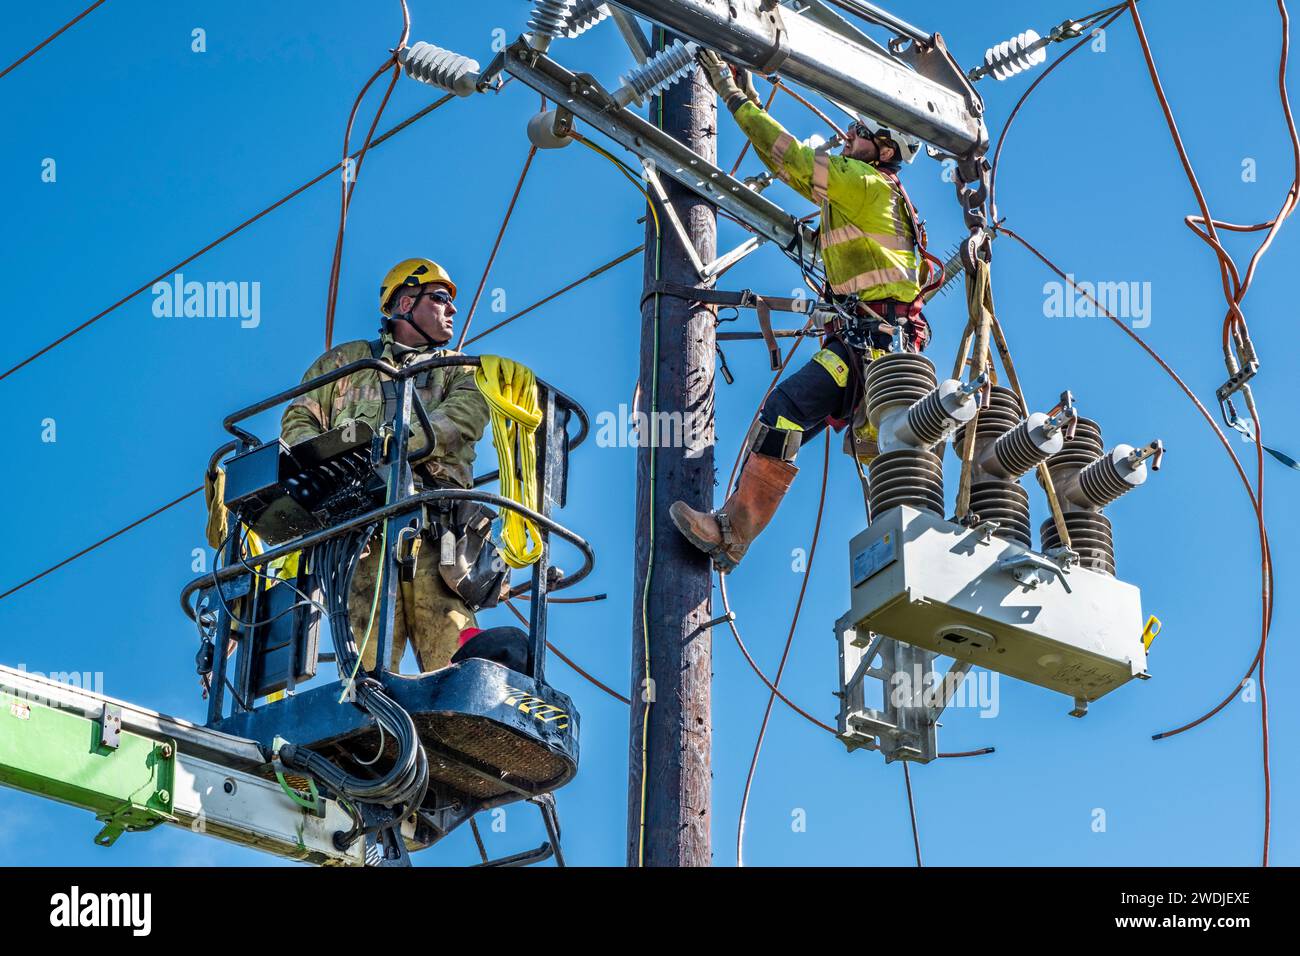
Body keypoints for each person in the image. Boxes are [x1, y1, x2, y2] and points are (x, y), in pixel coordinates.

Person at [671, 52, 939, 572]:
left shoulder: (864, 185)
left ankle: (732, 534)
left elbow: (789, 157)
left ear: (884, 148)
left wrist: (733, 96)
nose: (849, 134)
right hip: (870, 345)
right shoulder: (868, 194)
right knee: (779, 424)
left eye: (861, 130)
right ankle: (731, 532)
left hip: (870, 349)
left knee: (784, 410)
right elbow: (800, 178)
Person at [280, 258, 491, 672]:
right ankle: (372, 721)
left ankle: (459, 716)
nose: (452, 310)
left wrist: (393, 446)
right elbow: (298, 421)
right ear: (405, 302)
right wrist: (332, 463)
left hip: (435, 523)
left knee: (449, 636)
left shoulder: (460, 371)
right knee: (368, 644)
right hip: (361, 529)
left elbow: (463, 419)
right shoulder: (346, 363)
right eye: (441, 298)